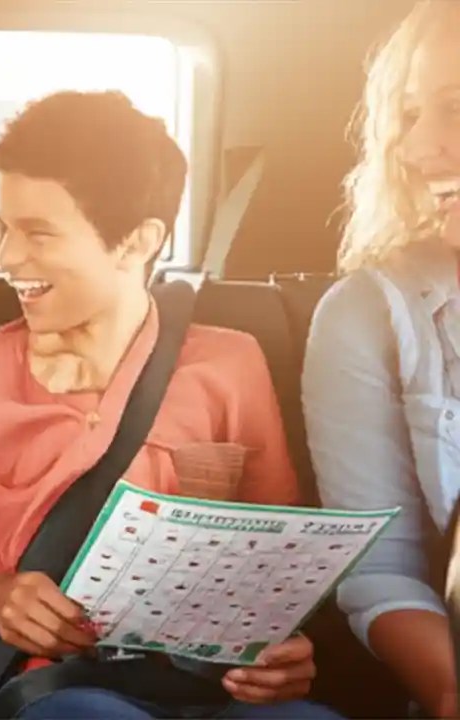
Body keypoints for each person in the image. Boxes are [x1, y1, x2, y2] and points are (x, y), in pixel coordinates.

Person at [0, 90, 341, 719]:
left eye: (38, 233)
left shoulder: (229, 364)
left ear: (137, 242)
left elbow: (276, 557)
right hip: (54, 687)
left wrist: (281, 652)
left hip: (206, 686)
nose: (6, 258)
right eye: (2, 227)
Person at [302, 1, 460, 716]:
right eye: (409, 114)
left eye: (453, 108)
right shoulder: (370, 316)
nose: (417, 146)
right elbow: (381, 571)